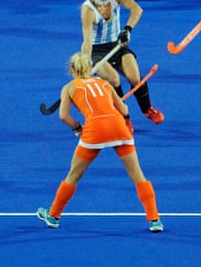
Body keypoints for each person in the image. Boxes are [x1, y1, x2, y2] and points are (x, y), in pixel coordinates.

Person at [36, 52, 163, 233]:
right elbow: (124, 109)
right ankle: (154, 220)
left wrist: (78, 127)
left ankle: (53, 215)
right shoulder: (104, 83)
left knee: (73, 176)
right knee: (138, 176)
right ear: (90, 68)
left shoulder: (69, 88)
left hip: (94, 130)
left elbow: (63, 116)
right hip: (119, 128)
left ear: (71, 69)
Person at [81, 0, 164, 128]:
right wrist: (85, 65)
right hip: (96, 51)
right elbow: (87, 42)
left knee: (135, 78)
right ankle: (123, 117)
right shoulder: (88, 10)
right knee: (114, 79)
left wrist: (127, 29)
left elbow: (137, 9)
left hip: (117, 45)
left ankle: (148, 109)